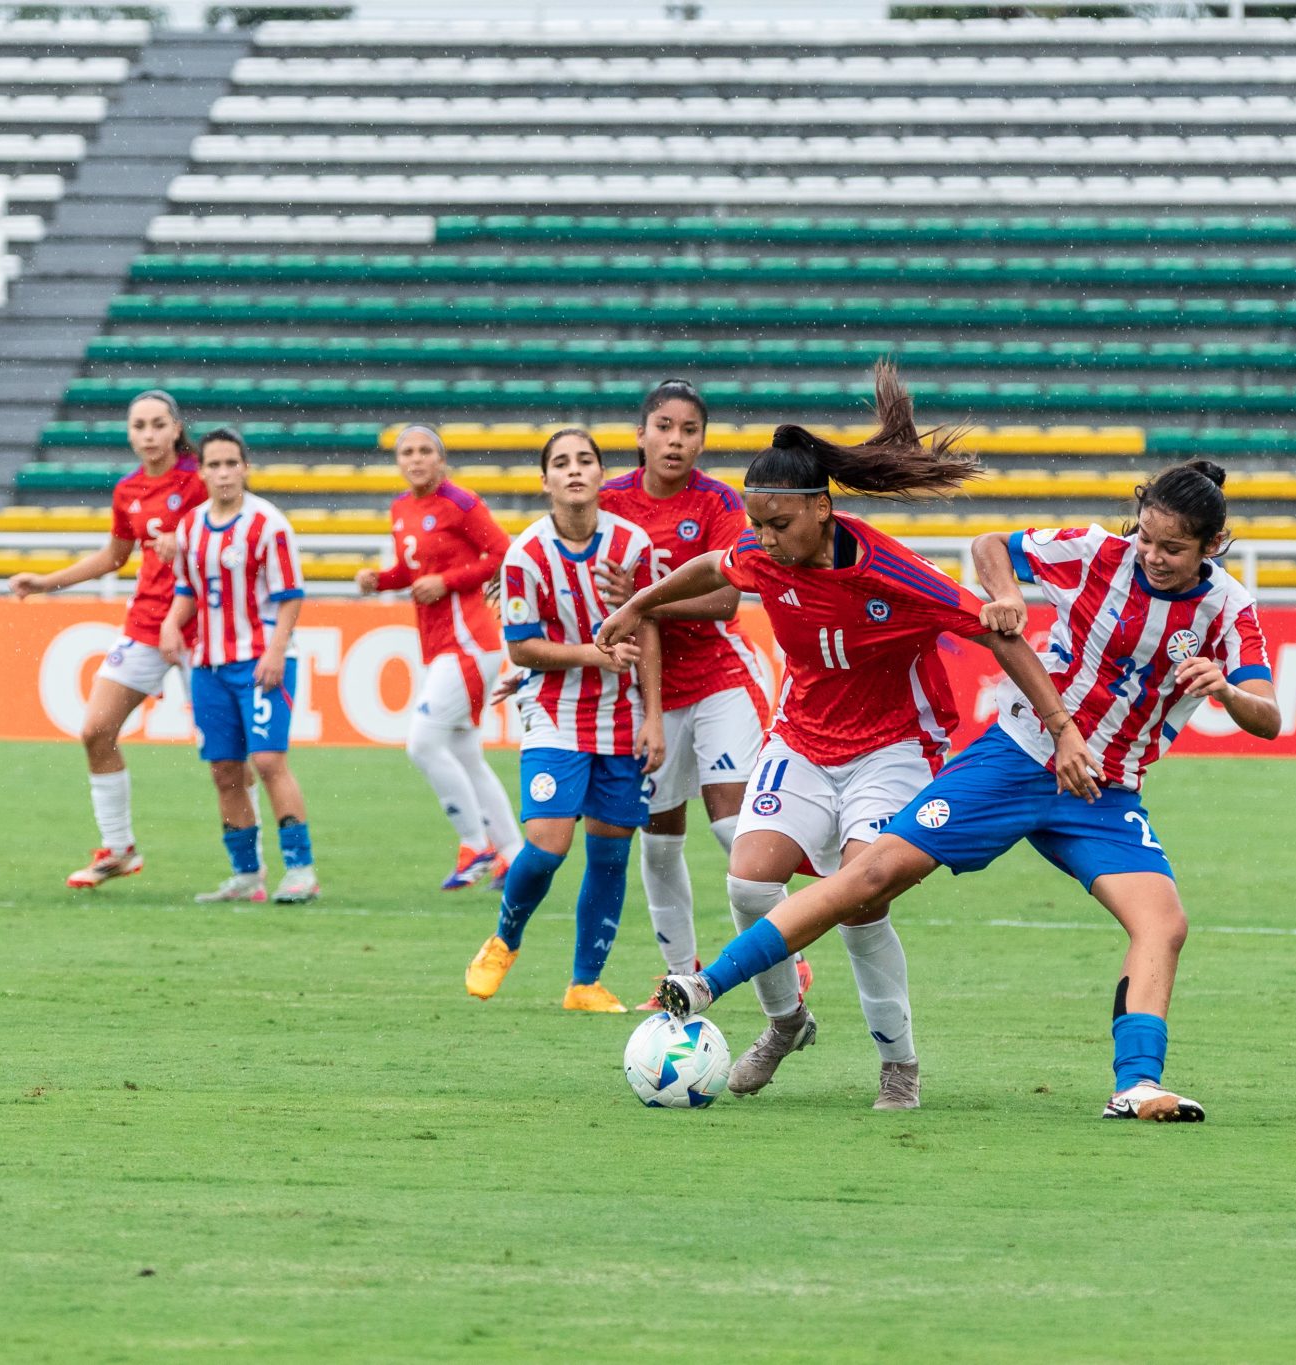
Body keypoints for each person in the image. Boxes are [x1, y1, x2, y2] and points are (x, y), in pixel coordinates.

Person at [655, 460, 1278, 1124]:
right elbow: (990, 547)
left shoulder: (1229, 608)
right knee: (871, 875)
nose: (1151, 555)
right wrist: (1006, 591)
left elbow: (1267, 715)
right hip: (1015, 758)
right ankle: (708, 983)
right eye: (1147, 537)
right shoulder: (1098, 551)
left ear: (1211, 546)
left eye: (1172, 548)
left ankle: (1137, 1083)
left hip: (1104, 790)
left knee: (1164, 922)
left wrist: (1228, 691)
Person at [600, 362, 1095, 1110]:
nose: (764, 539)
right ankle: (784, 1022)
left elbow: (1002, 640)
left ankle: (899, 1063)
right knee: (748, 878)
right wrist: (638, 603)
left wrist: (1060, 728)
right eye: (756, 523)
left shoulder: (894, 573)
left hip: (893, 747)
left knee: (862, 903)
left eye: (778, 523)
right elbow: (714, 564)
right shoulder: (765, 555)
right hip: (802, 736)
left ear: (821, 510)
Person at [464, 428, 665, 1014]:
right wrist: (594, 653)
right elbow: (522, 648)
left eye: (585, 460)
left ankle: (584, 983)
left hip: (624, 716)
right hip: (554, 713)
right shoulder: (525, 554)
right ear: (545, 480)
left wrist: (654, 716)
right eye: (561, 463)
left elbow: (650, 625)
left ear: (602, 474)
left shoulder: (632, 545)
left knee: (609, 853)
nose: (574, 470)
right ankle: (505, 938)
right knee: (548, 845)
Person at [595, 378, 773, 1003]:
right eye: (664, 427)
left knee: (734, 829)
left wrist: (643, 600)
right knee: (661, 839)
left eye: (689, 429)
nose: (676, 440)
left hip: (720, 679)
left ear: (702, 439)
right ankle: (677, 975)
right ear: (640, 434)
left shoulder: (721, 503)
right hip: (650, 694)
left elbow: (726, 599)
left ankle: (784, 951)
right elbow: (564, 551)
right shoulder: (608, 499)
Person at [8, 388, 208, 890]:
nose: (148, 434)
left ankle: (251, 865)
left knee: (227, 756)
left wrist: (183, 543)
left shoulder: (202, 481)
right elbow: (115, 557)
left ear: (177, 429)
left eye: (158, 424)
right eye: (139, 425)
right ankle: (118, 850)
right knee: (96, 730)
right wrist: (45, 581)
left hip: (204, 625)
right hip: (146, 622)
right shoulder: (129, 491)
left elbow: (229, 537)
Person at [354, 423, 522, 890]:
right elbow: (412, 571)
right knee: (467, 755)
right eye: (407, 451)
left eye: (425, 450)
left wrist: (448, 582)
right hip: (439, 642)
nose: (415, 459)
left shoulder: (461, 503)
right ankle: (513, 855)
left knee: (423, 742)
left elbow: (503, 553)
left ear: (441, 459)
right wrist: (381, 580)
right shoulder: (402, 508)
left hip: (470, 640)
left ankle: (476, 844)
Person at [158, 427, 321, 905]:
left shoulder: (269, 524)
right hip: (207, 663)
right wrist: (172, 624)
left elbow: (291, 596)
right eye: (215, 464)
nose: (224, 473)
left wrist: (274, 650)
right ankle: (246, 875)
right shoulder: (190, 527)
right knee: (225, 770)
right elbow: (188, 590)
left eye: (232, 463)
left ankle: (301, 869)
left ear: (245, 468)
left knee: (268, 760)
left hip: (261, 661)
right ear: (202, 470)